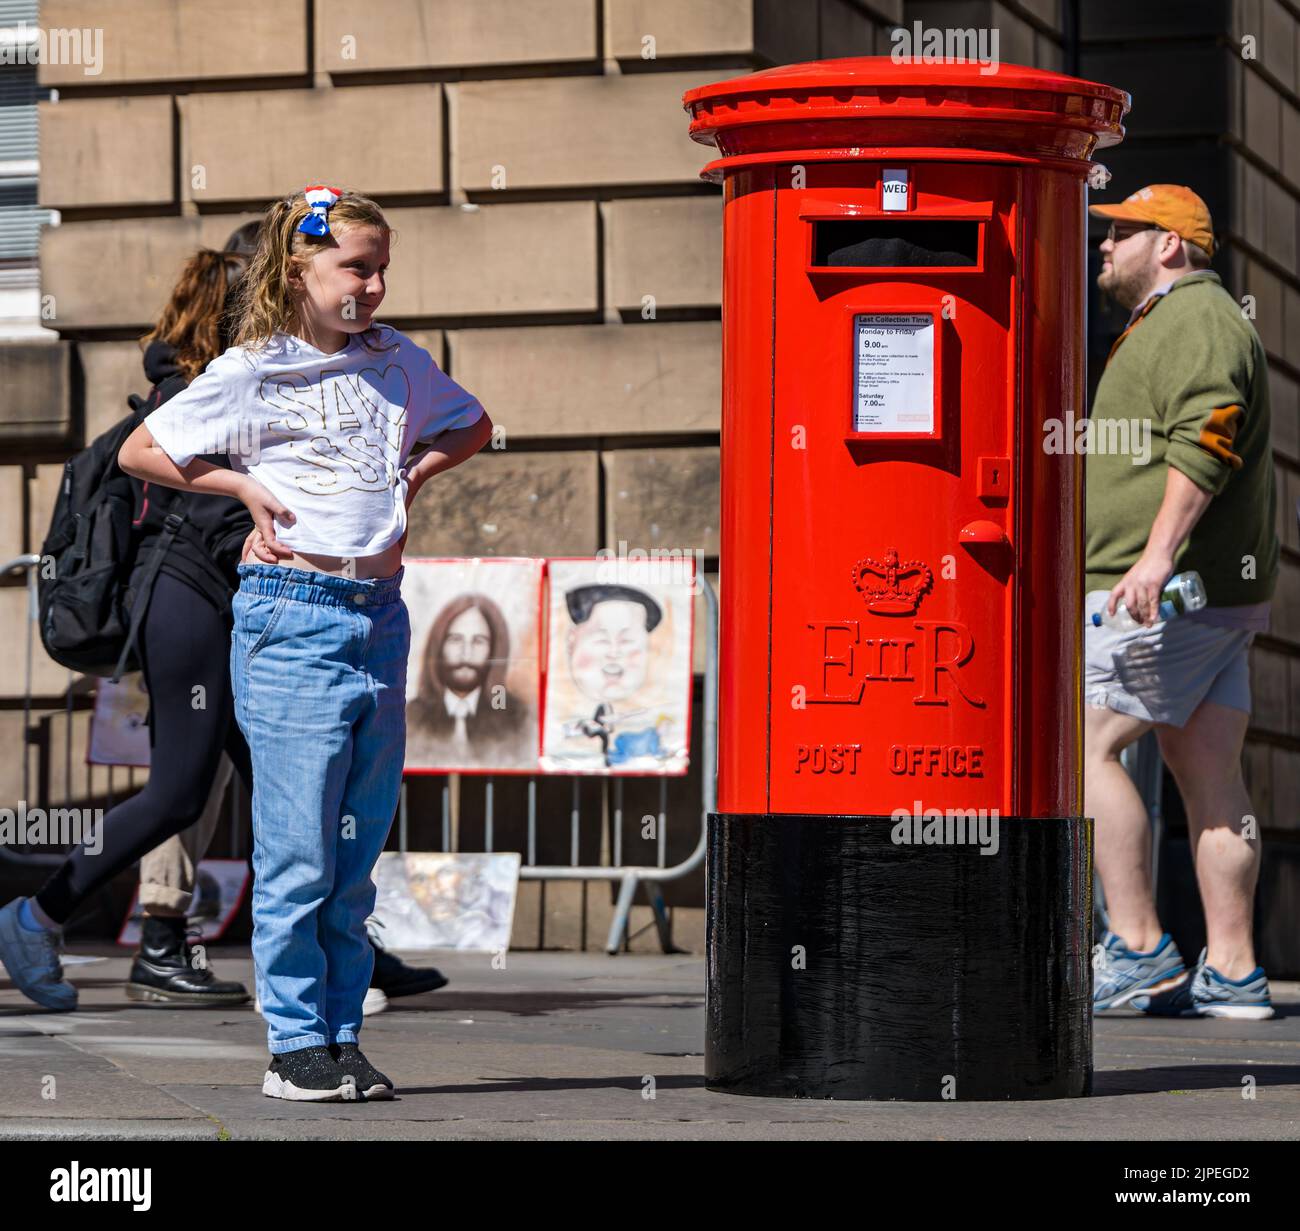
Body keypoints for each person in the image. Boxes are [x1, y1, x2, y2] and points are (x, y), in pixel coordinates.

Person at [118, 186, 493, 1101]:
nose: (371, 285)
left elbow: (474, 423)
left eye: (382, 269)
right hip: (292, 612)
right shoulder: (255, 367)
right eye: (354, 267)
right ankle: (293, 1045)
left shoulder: (399, 361)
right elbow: (143, 449)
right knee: (299, 852)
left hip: (380, 614)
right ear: (300, 271)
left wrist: (416, 470)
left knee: (355, 855)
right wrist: (244, 489)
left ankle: (340, 1035)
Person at [0, 246, 257, 1011]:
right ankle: (37, 914)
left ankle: (339, 952)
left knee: (286, 783)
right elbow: (217, 521)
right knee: (179, 794)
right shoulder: (207, 395)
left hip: (196, 608)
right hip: (191, 606)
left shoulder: (190, 386)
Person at [1083, 185, 1279, 1020]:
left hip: (1168, 592)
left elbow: (1209, 432)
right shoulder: (1187, 319)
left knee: (1075, 746)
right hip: (1215, 596)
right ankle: (1232, 970)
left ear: (1168, 246)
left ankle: (1136, 949)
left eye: (1119, 233)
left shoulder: (1194, 315)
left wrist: (1155, 560)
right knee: (1208, 775)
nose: (1104, 245)